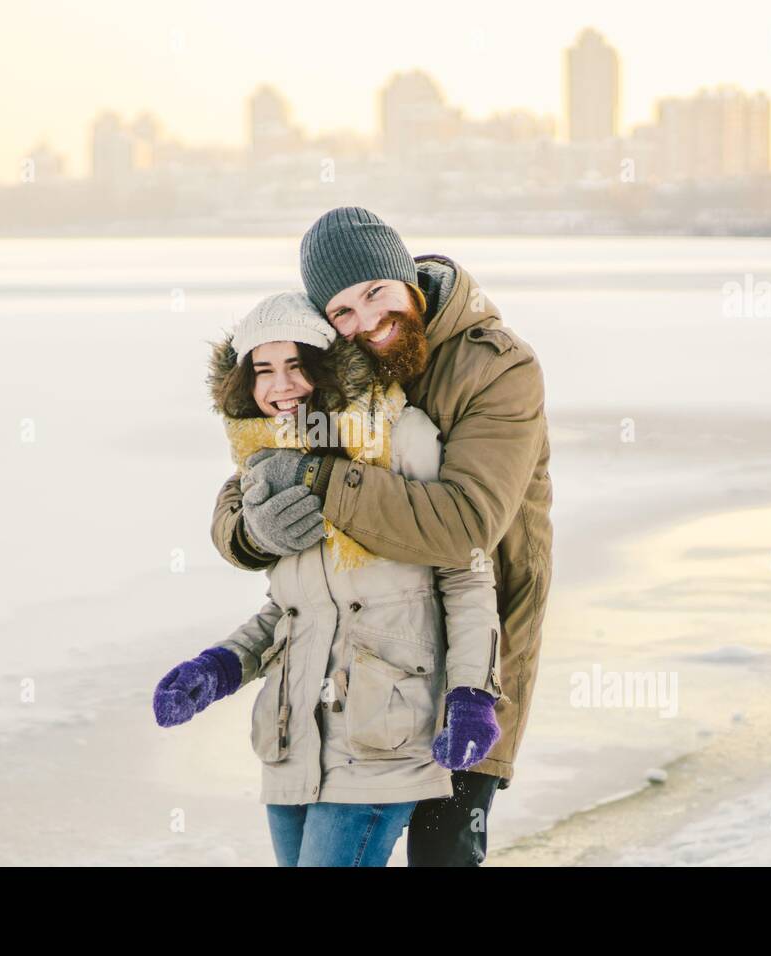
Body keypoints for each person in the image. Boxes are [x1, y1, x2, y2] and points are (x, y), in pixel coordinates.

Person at [210, 208, 553, 866]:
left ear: (409, 283)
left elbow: (464, 526)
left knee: (443, 856)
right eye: (342, 310)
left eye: (376, 293)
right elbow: (250, 476)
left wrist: (316, 475)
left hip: (476, 653)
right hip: (361, 670)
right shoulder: (339, 373)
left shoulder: (498, 367)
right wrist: (251, 529)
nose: (367, 320)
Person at [154, 291, 504, 867]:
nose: (280, 385)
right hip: (292, 741)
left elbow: (464, 576)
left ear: (327, 366)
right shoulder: (267, 464)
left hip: (383, 737)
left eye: (296, 364)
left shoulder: (401, 437)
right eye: (263, 370)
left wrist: (471, 695)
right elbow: (293, 609)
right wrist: (220, 665)